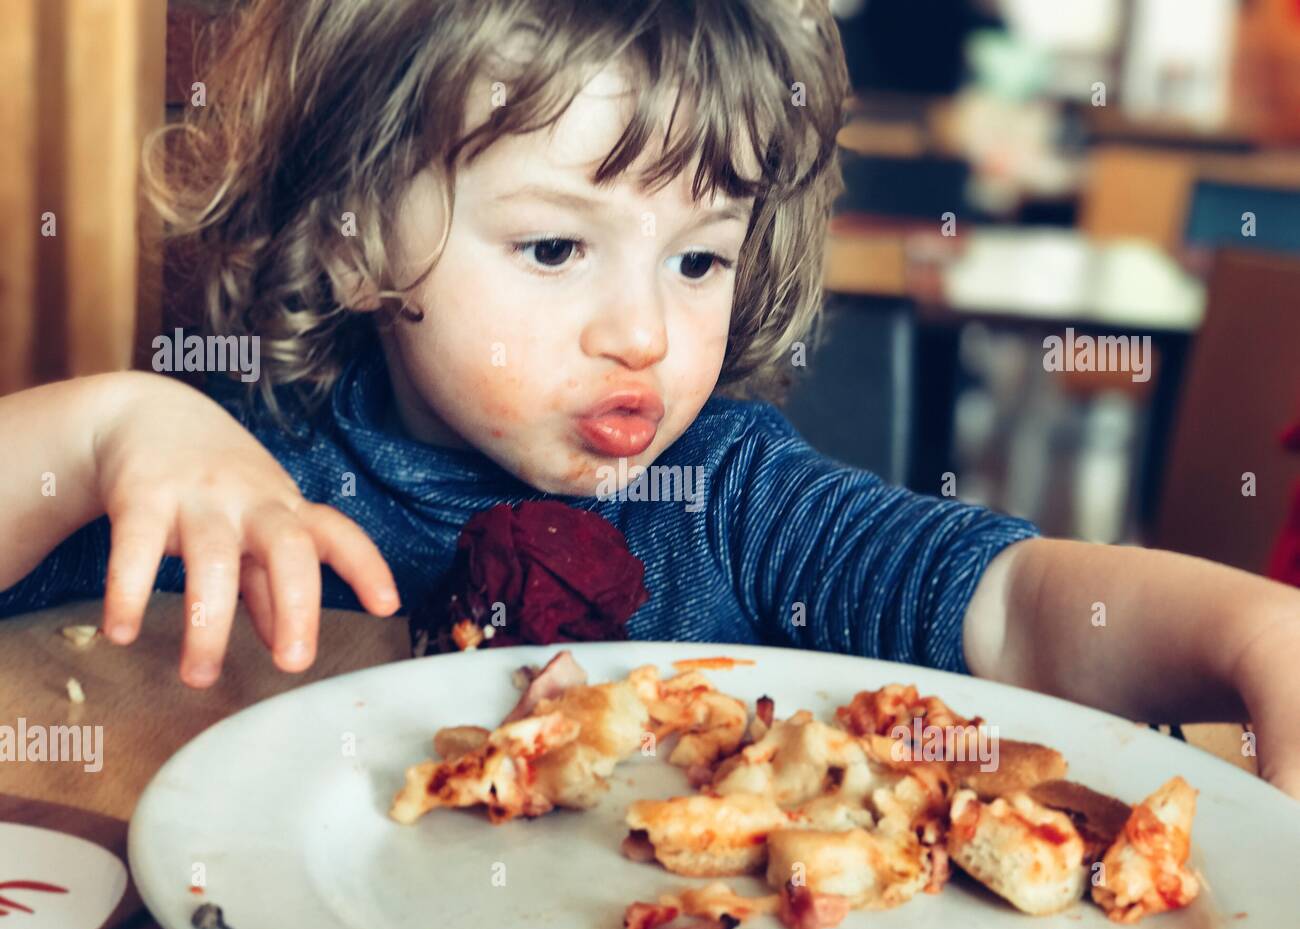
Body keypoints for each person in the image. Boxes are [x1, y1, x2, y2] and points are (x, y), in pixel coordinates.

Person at [1, 0, 1296, 798]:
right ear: (352, 237)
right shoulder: (241, 480)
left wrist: (1254, 634)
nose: (644, 331)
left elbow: (1017, 609)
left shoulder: (736, 501)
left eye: (699, 260)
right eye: (556, 249)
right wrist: (101, 432)